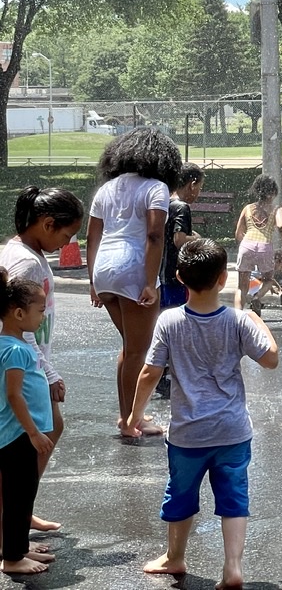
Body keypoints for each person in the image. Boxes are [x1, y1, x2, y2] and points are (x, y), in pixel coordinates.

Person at [121, 239, 279, 589]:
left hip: (188, 433)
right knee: (234, 497)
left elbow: (150, 373)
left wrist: (134, 416)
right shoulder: (239, 321)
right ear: (224, 278)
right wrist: (259, 322)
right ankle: (233, 566)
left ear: (179, 277)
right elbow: (270, 359)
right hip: (233, 431)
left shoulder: (170, 321)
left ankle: (175, 557)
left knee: (180, 494)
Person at [87, 126, 183, 436]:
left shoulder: (107, 188)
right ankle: (132, 421)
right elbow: (154, 235)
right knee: (140, 352)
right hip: (133, 267)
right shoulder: (156, 188)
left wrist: (92, 280)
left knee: (130, 348)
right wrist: (148, 282)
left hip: (105, 268)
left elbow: (92, 236)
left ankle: (127, 415)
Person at [0, 187, 83, 534]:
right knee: (34, 435)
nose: (67, 244)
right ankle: (12, 515)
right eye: (66, 235)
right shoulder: (25, 262)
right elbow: (22, 326)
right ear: (47, 224)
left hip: (27, 362)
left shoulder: (24, 252)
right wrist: (48, 372)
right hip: (25, 364)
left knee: (47, 429)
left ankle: (19, 507)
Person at [0, 272, 55, 575]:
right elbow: (14, 394)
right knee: (19, 496)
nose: (43, 318)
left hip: (15, 433)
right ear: (19, 313)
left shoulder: (8, 344)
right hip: (19, 435)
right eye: (40, 311)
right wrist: (33, 432)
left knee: (21, 495)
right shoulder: (17, 349)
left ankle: (19, 548)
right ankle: (12, 559)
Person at [233, 175, 282, 314]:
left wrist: (247, 246)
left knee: (241, 287)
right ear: (274, 192)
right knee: (268, 280)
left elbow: (238, 234)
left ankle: (237, 316)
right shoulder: (277, 209)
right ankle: (257, 297)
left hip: (246, 246)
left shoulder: (248, 208)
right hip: (265, 247)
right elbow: (280, 226)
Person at [161, 164, 204, 309]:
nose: (199, 192)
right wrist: (197, 239)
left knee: (163, 318)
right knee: (178, 317)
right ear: (192, 185)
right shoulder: (182, 207)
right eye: (200, 187)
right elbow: (179, 240)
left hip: (160, 273)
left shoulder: (165, 202)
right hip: (176, 275)